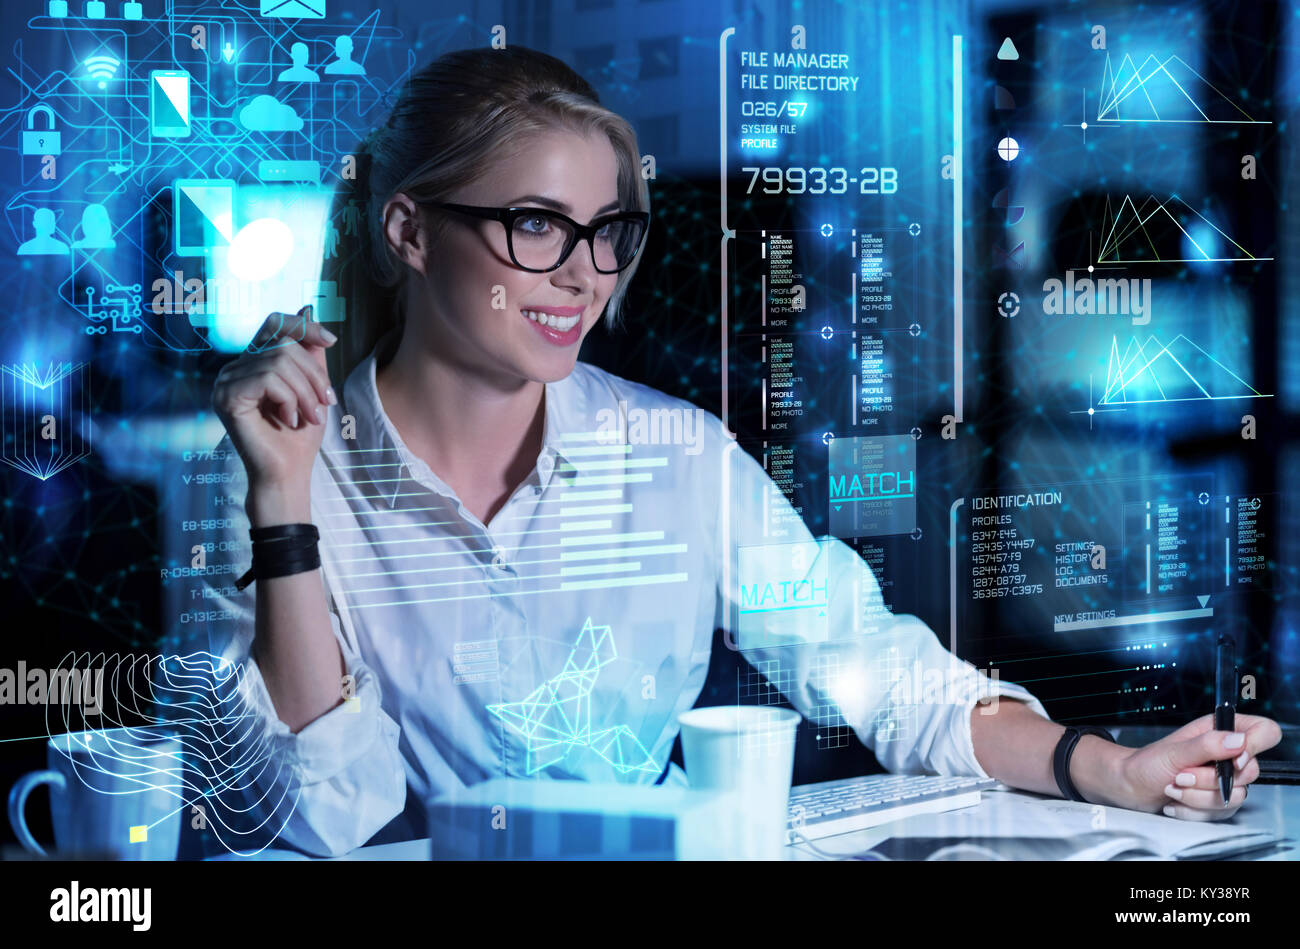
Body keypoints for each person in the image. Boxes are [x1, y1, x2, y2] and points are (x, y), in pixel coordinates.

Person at [206, 46, 1281, 857]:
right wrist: (285, 513)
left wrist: (1115, 768)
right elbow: (320, 821)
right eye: (535, 224)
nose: (584, 274)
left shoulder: (677, 456)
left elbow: (879, 673)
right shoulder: (281, 473)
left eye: (607, 231)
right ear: (408, 232)